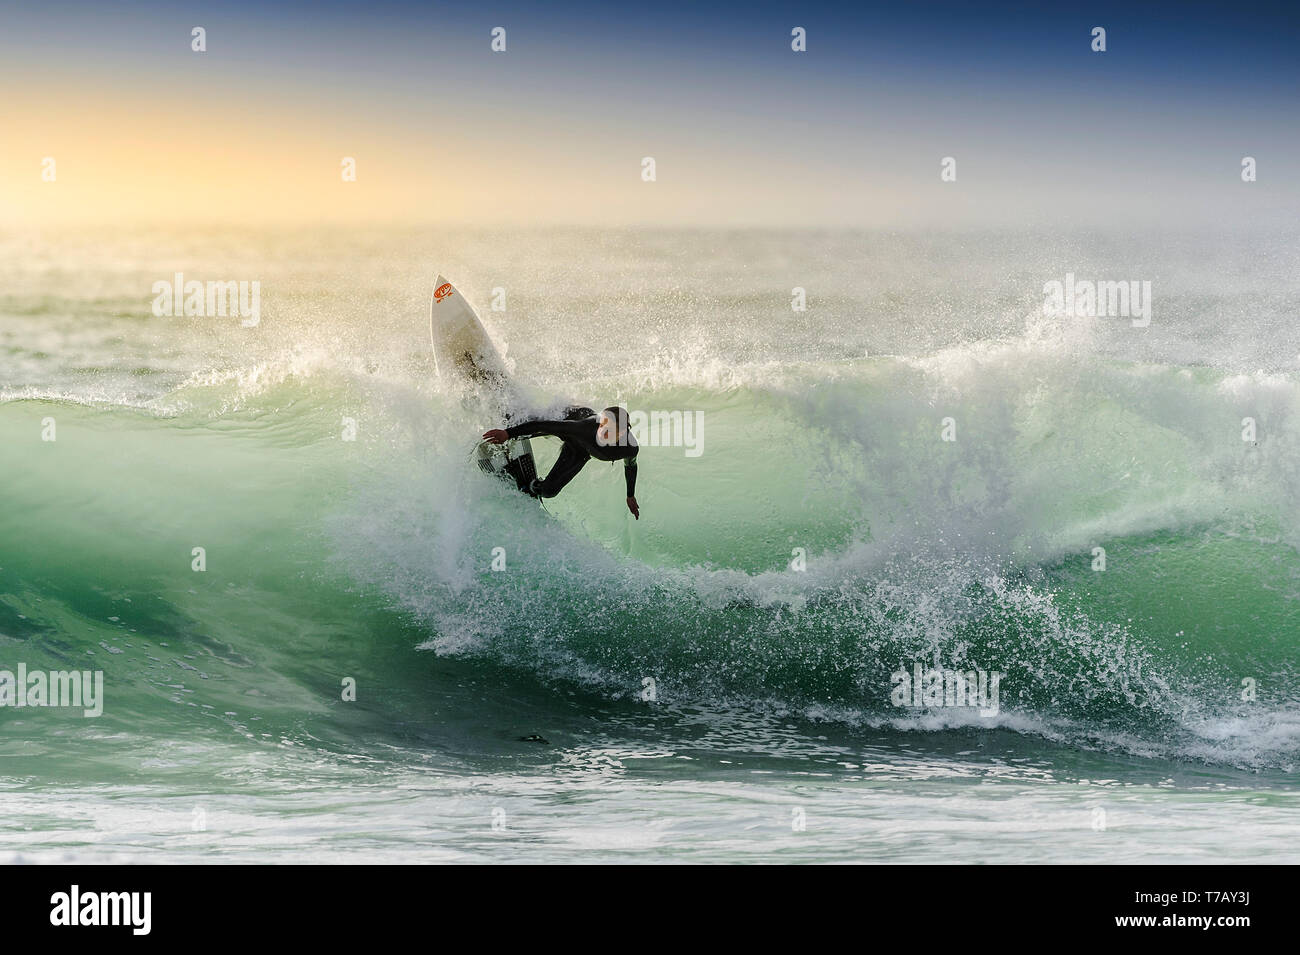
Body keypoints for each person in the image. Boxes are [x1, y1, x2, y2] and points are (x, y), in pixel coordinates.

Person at [483, 406, 640, 518]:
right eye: (605, 428)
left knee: (549, 491)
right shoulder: (585, 428)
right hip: (569, 418)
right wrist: (507, 433)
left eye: (614, 432)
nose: (607, 434)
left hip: (580, 451)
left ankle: (532, 485)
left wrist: (630, 496)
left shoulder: (629, 448)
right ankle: (501, 411)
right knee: (523, 427)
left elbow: (631, 466)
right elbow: (542, 425)